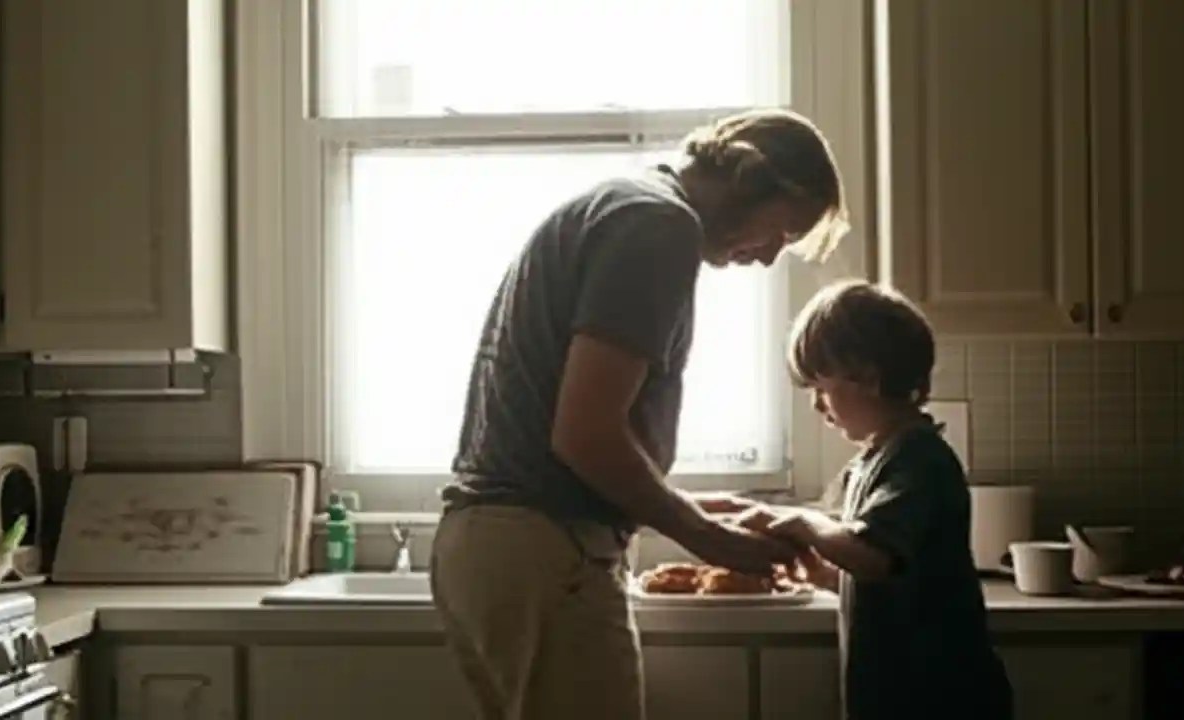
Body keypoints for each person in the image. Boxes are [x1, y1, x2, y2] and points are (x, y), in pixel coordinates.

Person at [429, 108, 850, 720]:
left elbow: (576, 434)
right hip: (544, 552)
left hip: (502, 547)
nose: (764, 259)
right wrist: (706, 538)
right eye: (781, 232)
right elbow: (585, 435)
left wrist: (699, 509)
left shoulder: (619, 205)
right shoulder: (660, 226)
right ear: (751, 180)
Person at [759, 279, 1013, 720]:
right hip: (898, 696)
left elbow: (876, 556)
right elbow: (890, 581)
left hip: (939, 697)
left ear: (869, 379)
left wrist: (806, 524)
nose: (819, 407)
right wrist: (827, 578)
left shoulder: (917, 456)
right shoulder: (875, 460)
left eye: (823, 388)